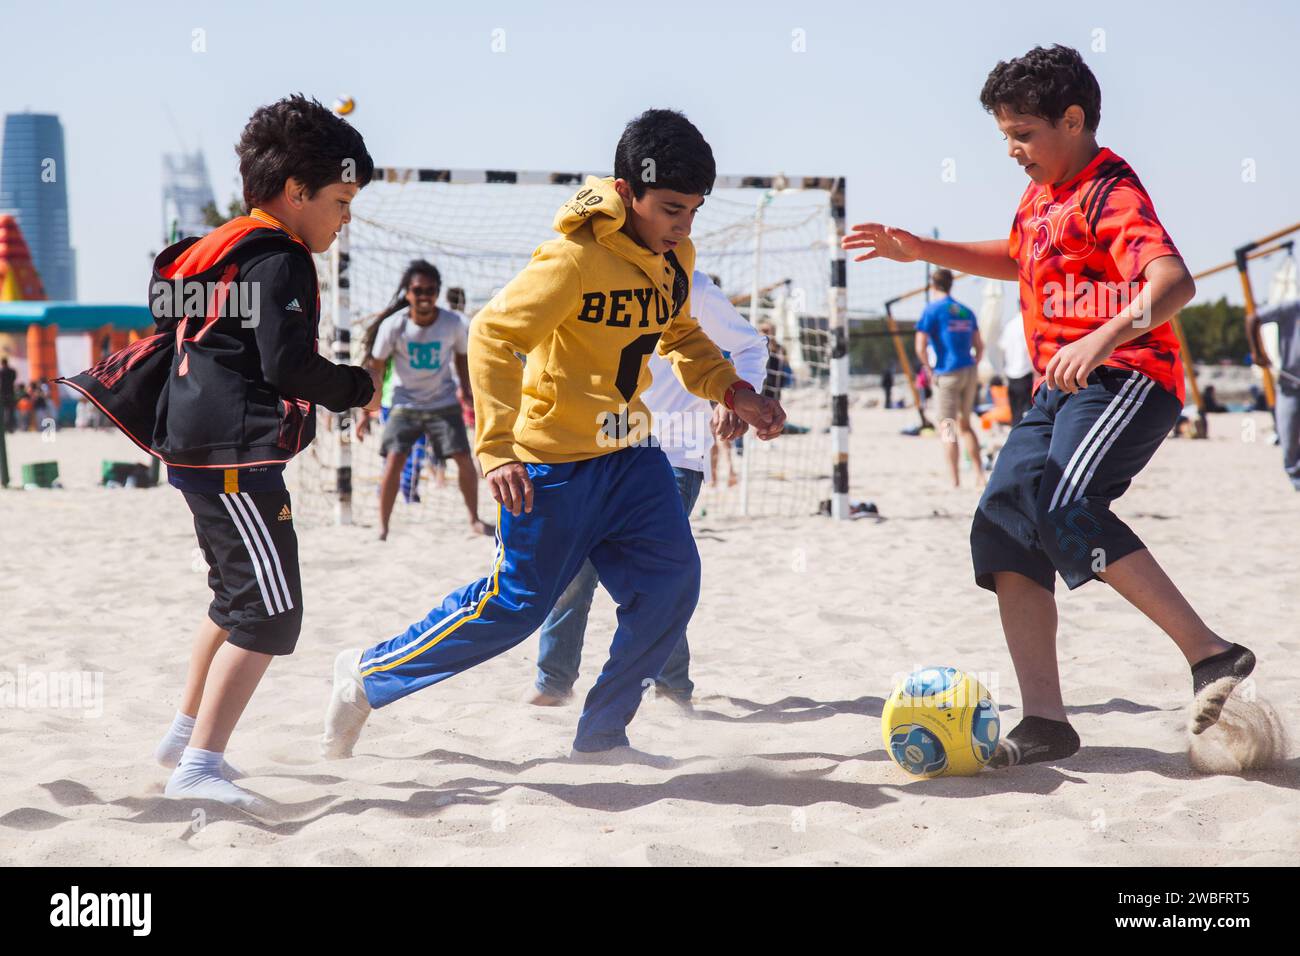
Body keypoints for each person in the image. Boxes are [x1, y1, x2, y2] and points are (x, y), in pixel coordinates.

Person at [323, 108, 786, 759]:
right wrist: (496, 451)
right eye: (672, 209)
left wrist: (736, 391)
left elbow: (680, 335)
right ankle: (366, 677)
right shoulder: (573, 259)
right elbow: (491, 334)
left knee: (674, 583)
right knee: (514, 608)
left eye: (694, 212)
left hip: (633, 456)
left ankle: (602, 734)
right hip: (554, 466)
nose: (683, 226)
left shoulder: (675, 255)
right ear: (628, 193)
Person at [843, 44, 1254, 768]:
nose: (1012, 150)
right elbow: (1018, 256)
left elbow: (1174, 284)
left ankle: (1211, 654)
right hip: (1058, 388)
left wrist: (1101, 338)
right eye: (1004, 135)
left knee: (1067, 505)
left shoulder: (1109, 189)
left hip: (1125, 376)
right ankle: (1046, 721)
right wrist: (922, 249)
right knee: (1004, 520)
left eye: (1024, 133)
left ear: (1074, 120)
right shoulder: (1041, 196)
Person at [62, 94, 376, 809]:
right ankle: (198, 767)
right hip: (234, 452)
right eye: (340, 198)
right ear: (296, 192)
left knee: (234, 600)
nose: (346, 216)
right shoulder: (282, 260)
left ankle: (182, 737)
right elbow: (287, 364)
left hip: (193, 441)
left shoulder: (219, 247)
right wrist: (356, 386)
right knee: (271, 616)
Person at [529, 270, 769, 706]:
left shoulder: (691, 286)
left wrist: (735, 395)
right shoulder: (592, 272)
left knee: (652, 577)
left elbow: (750, 345)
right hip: (605, 443)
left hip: (674, 451)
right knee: (575, 568)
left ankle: (673, 689)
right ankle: (553, 685)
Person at [357, 261, 488, 539]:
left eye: (430, 290)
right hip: (405, 403)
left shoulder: (453, 323)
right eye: (418, 290)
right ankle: (383, 527)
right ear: (408, 293)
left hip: (443, 402)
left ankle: (474, 519)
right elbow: (375, 368)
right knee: (394, 460)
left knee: (464, 459)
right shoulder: (394, 326)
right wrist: (365, 412)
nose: (424, 296)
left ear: (438, 293)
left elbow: (462, 359)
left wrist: (466, 391)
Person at [916, 269, 986, 486]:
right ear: (951, 284)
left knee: (947, 426)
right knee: (966, 425)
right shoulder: (965, 311)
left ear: (932, 285)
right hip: (969, 370)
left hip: (946, 372)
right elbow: (979, 346)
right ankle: (979, 475)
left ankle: (955, 479)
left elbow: (920, 346)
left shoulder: (932, 310)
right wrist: (974, 364)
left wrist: (928, 369)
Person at [1248, 300, 1300, 489]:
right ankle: (1296, 480)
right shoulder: (1292, 307)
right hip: (1289, 387)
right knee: (1289, 441)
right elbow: (1253, 318)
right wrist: (1258, 352)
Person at [999, 308, 1034, 426]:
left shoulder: (1009, 325)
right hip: (1026, 373)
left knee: (1015, 415)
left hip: (1011, 373)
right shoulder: (1029, 323)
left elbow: (1003, 350)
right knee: (1028, 414)